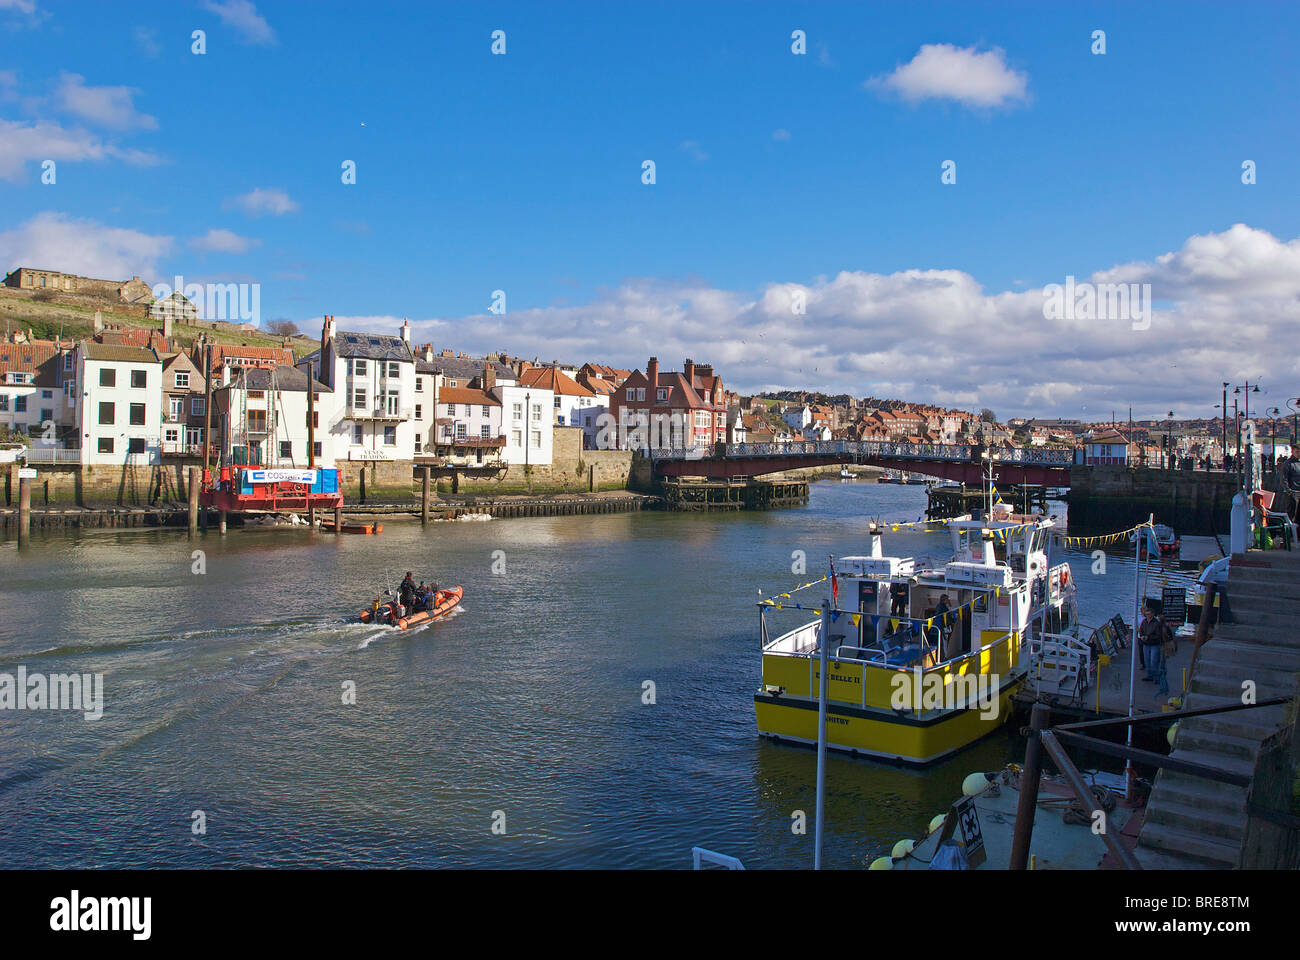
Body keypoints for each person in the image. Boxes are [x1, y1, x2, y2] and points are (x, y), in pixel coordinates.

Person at [1139, 606, 1168, 696]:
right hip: (1146, 644)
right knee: (1147, 660)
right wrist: (1142, 636)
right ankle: (1149, 675)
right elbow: (1141, 631)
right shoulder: (1144, 622)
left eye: (1149, 614)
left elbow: (1158, 636)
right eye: (1146, 614)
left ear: (1152, 614)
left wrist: (1149, 637)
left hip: (1154, 644)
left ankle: (1156, 677)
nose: (1147, 616)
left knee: (1153, 661)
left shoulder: (1156, 623)